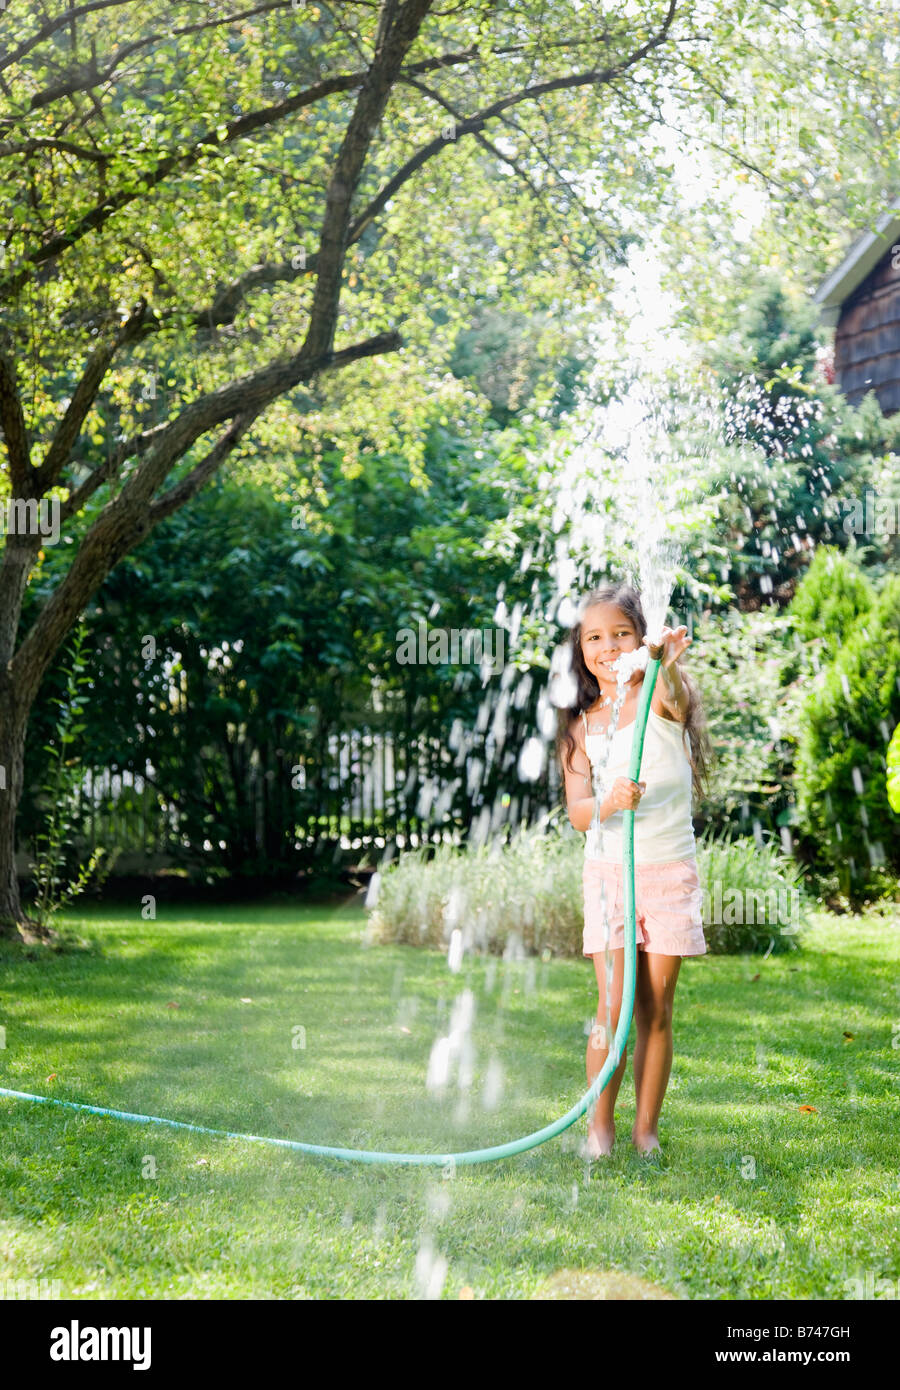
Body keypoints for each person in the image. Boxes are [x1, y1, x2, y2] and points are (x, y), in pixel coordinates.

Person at [556, 583, 711, 1159]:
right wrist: (610, 804)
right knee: (613, 1004)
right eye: (594, 637)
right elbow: (578, 813)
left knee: (655, 1008)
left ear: (639, 637)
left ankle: (646, 1130)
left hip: (668, 870)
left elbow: (675, 697)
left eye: (622, 633)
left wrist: (663, 663)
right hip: (608, 874)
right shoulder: (581, 727)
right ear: (581, 648)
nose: (608, 645)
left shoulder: (661, 696)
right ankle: (600, 1127)